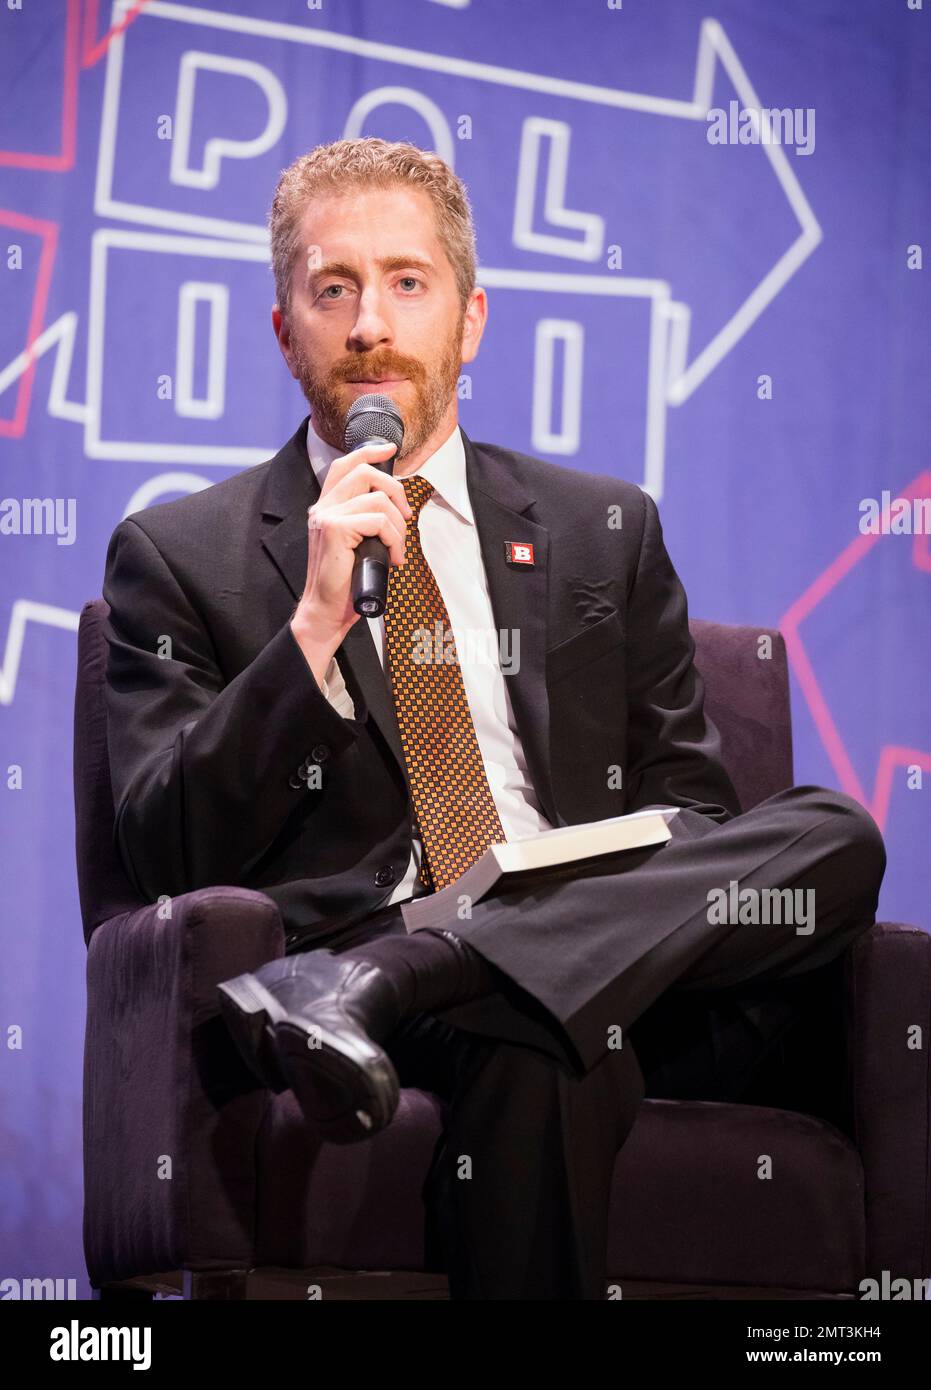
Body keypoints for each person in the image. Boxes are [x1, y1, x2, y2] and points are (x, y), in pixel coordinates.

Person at [101, 137, 886, 1300]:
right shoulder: (181, 554)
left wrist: (568, 910)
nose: (372, 322)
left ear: (470, 319)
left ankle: (420, 971)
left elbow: (699, 816)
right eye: (334, 289)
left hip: (618, 958)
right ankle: (415, 980)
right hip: (385, 994)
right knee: (541, 1037)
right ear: (283, 332)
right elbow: (162, 850)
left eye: (408, 283)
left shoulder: (600, 528)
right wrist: (312, 631)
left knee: (837, 832)